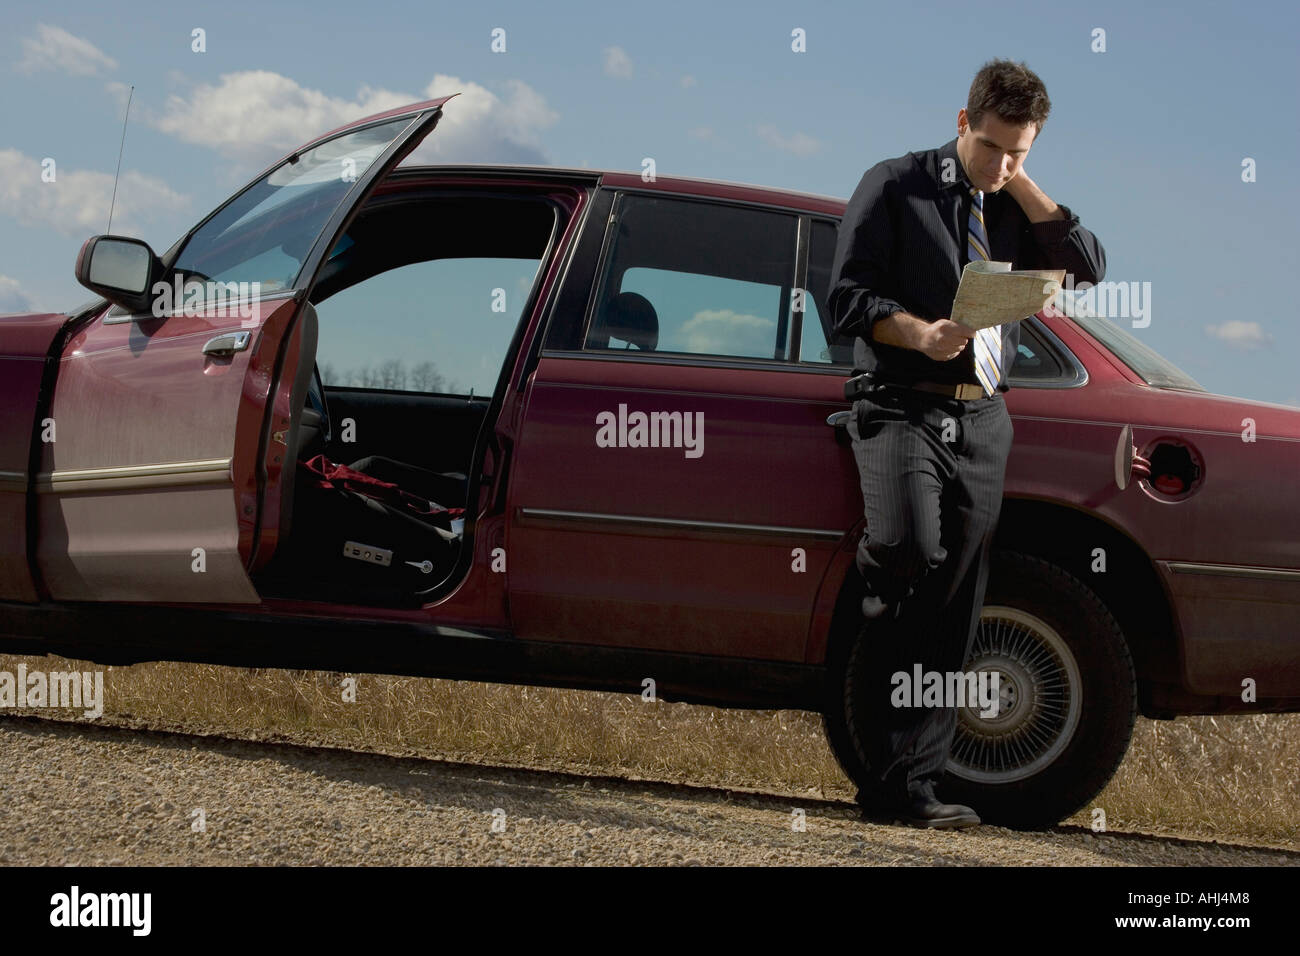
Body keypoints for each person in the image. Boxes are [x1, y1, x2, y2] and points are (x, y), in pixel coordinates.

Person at [827, 59, 1106, 828]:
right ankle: (873, 666)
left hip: (984, 419)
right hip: (899, 404)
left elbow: (1087, 268)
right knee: (909, 549)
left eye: (1021, 151)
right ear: (961, 122)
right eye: (992, 147)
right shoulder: (893, 185)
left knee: (957, 601)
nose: (1004, 162)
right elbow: (846, 297)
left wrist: (1017, 185)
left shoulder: (1015, 203)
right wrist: (921, 332)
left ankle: (904, 790)